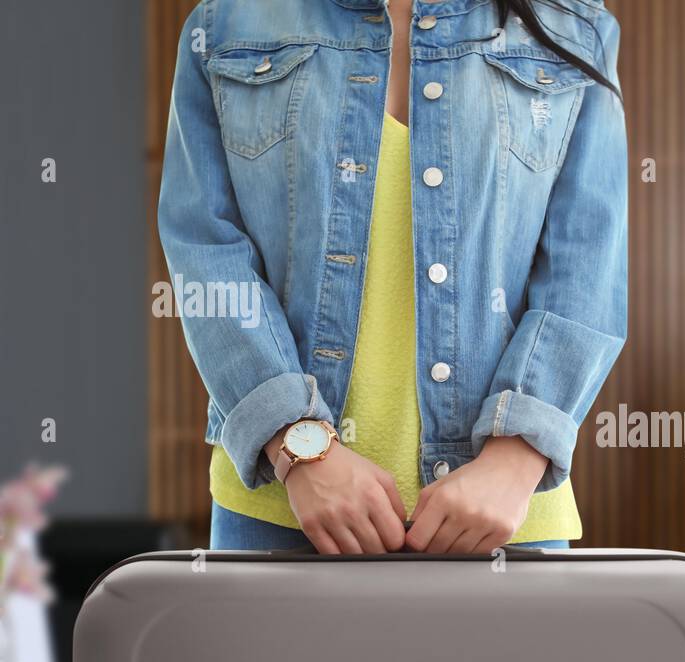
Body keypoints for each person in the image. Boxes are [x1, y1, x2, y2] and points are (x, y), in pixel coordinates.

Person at [158, 0, 626, 553]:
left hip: (501, 519)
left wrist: (514, 458)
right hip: (282, 511)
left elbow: (588, 266)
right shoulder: (229, 22)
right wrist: (301, 447)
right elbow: (205, 250)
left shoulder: (573, 27)